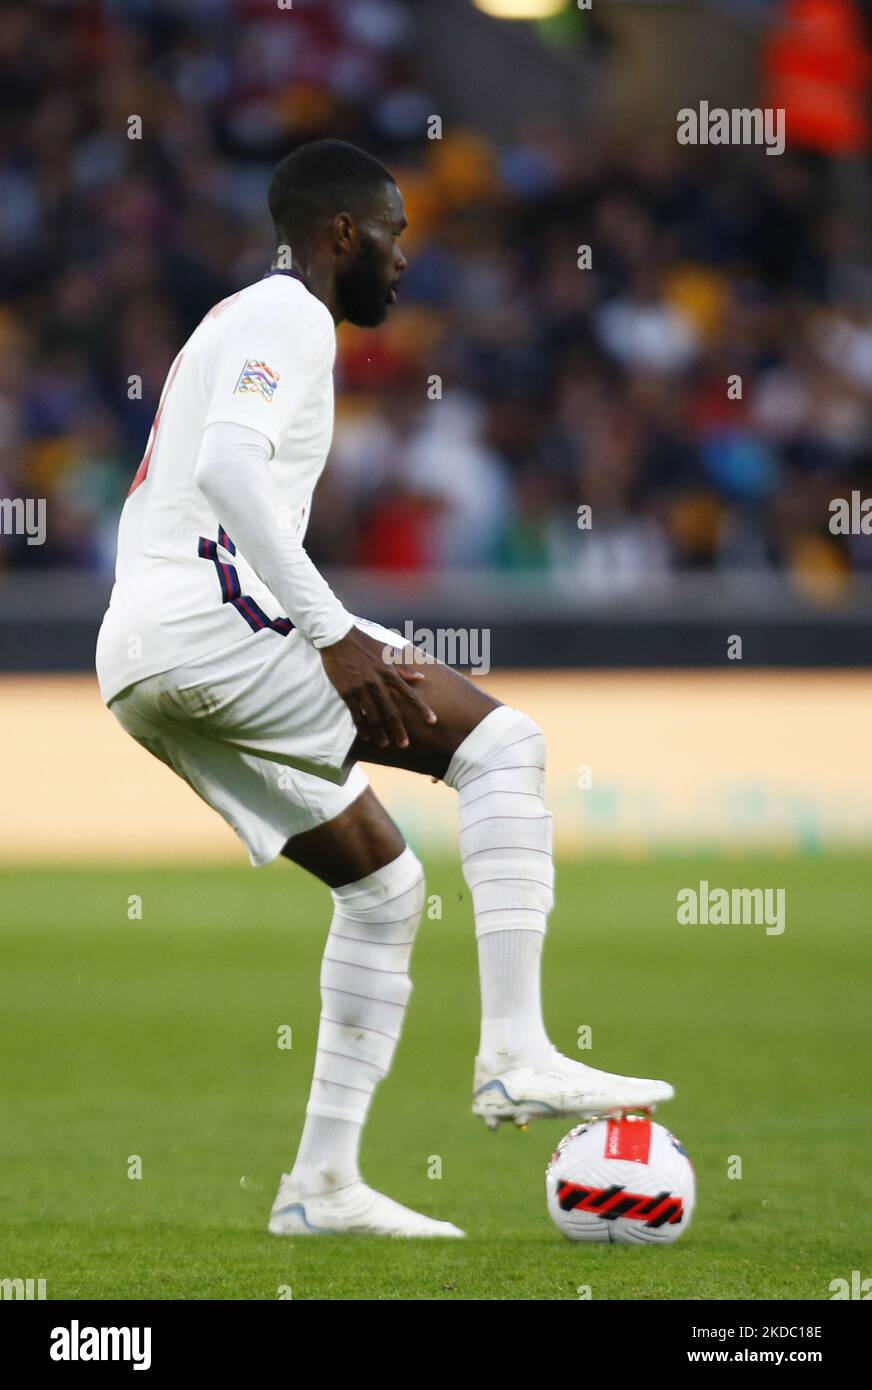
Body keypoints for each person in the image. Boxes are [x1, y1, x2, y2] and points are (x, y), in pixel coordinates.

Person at [96, 139, 674, 1239]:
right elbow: (225, 466)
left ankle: (320, 1185)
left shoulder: (226, 321)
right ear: (341, 235)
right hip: (211, 633)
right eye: (396, 234)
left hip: (141, 661)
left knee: (382, 885)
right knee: (504, 747)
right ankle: (514, 1052)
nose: (407, 260)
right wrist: (331, 635)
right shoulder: (289, 315)